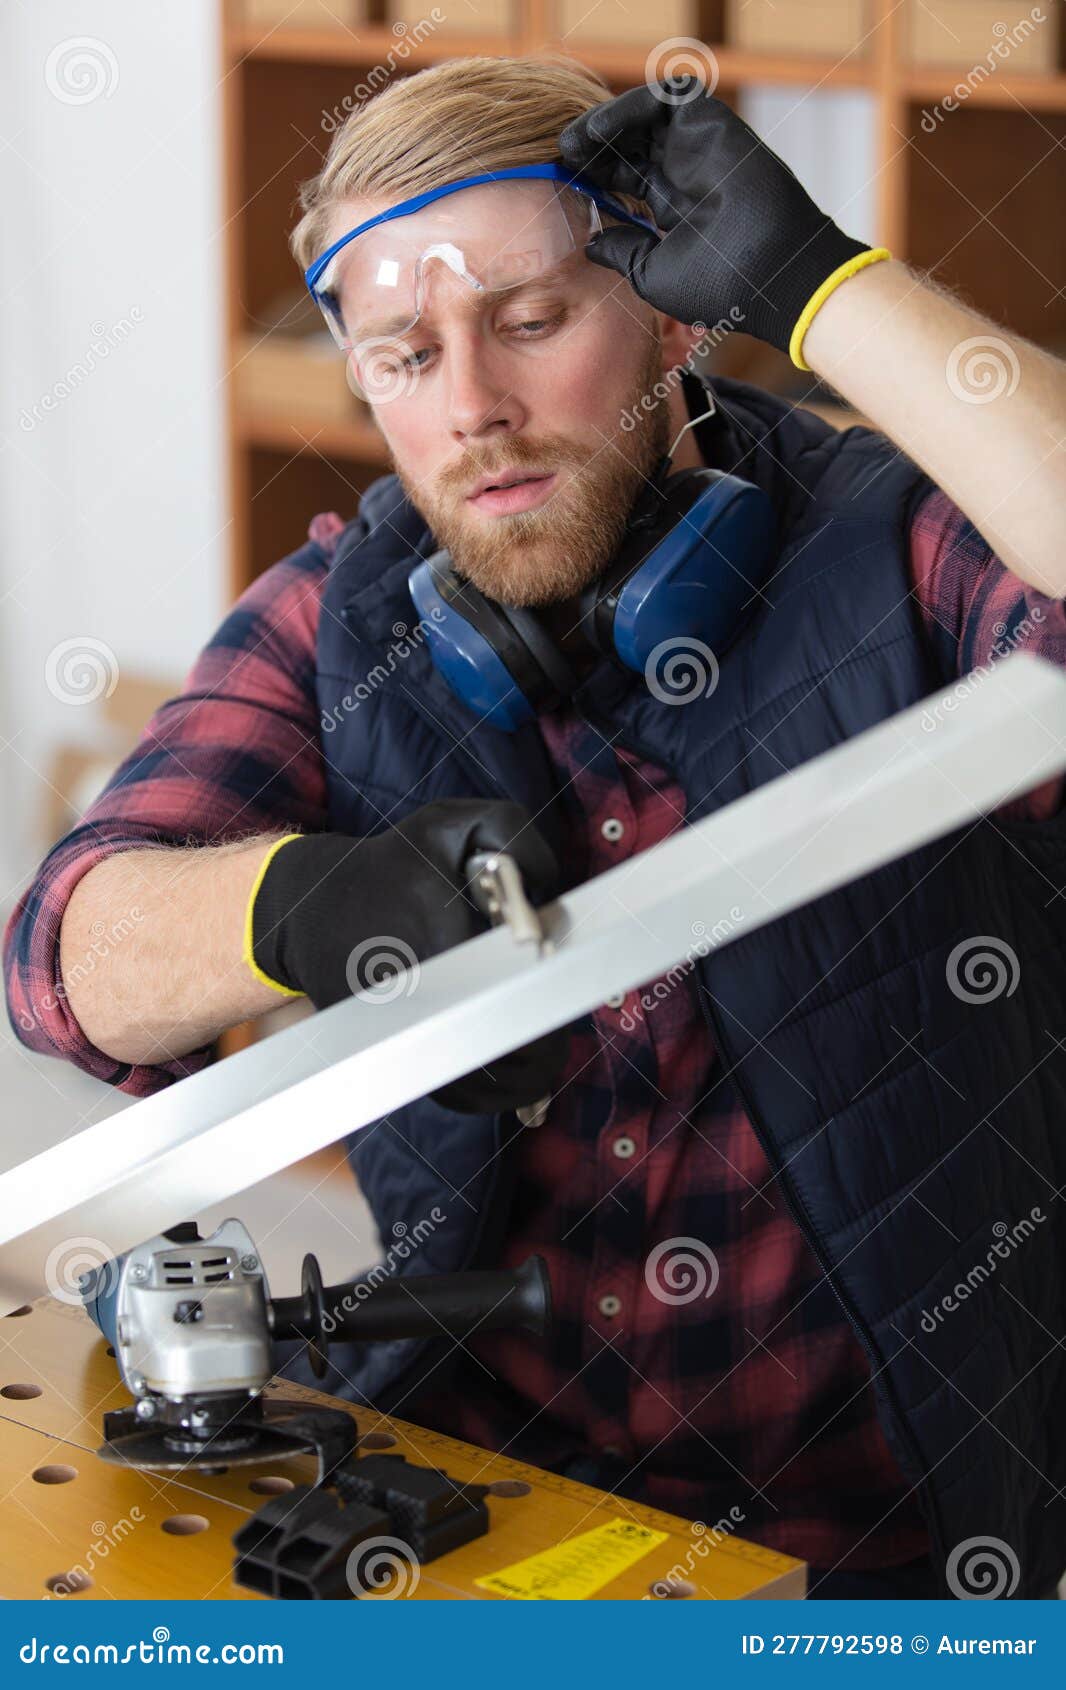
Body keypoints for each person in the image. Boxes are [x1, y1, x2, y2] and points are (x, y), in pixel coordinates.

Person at [5, 55, 1065, 1601]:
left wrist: (819, 281)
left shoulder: (896, 555)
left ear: (669, 312)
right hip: (484, 1508)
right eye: (403, 352)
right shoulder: (332, 628)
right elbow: (56, 959)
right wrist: (301, 901)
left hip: (888, 1550)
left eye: (530, 321)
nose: (474, 411)